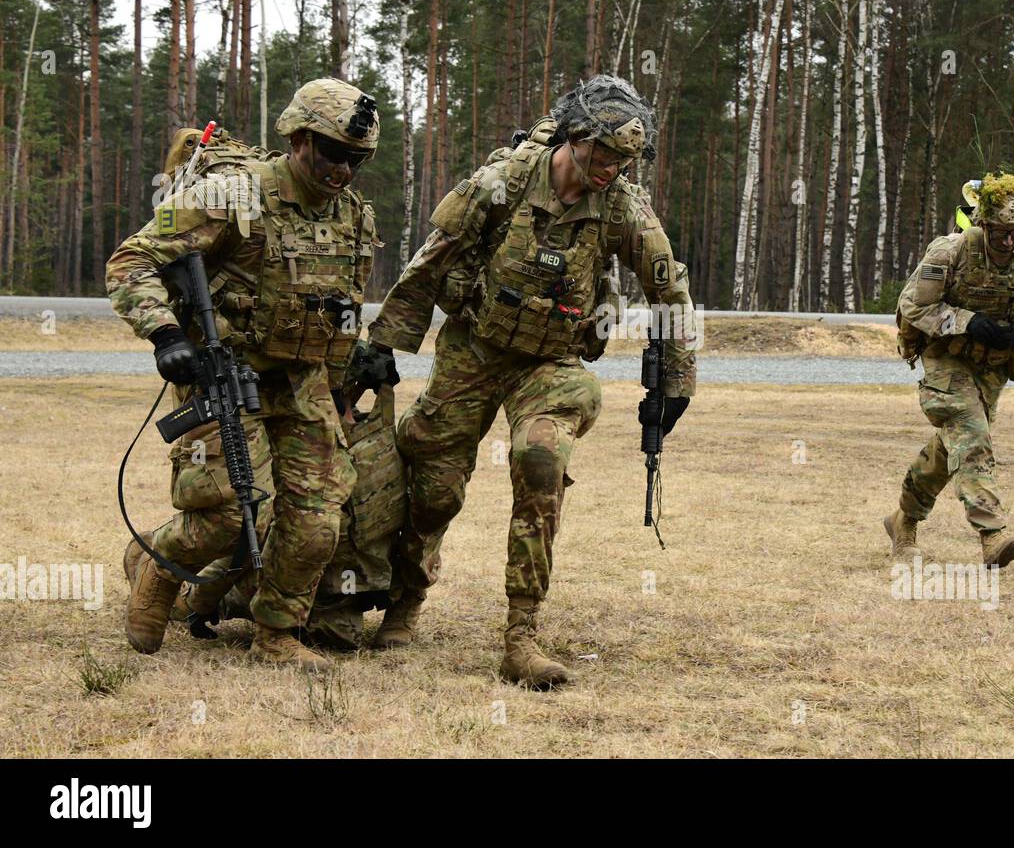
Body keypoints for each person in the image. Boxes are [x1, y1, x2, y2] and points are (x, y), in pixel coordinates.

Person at [359, 74, 696, 688]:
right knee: (436, 488)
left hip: (553, 362)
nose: (613, 168)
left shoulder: (623, 207)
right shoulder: (503, 183)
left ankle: (521, 635)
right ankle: (407, 597)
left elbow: (669, 289)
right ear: (575, 137)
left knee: (541, 459)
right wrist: (382, 346)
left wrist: (677, 380)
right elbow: (429, 262)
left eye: (626, 160)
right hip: (474, 350)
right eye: (605, 153)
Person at [107, 78, 382, 670]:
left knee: (316, 519)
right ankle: (158, 566)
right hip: (224, 372)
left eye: (356, 159)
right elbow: (133, 260)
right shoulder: (236, 196)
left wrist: (338, 393)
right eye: (333, 153)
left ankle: (276, 634)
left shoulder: (354, 217)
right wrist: (166, 335)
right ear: (300, 139)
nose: (343, 169)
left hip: (302, 380)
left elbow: (343, 310)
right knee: (227, 511)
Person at [887, 173, 1014, 568]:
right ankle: (992, 533)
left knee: (951, 448)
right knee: (971, 436)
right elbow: (914, 307)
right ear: (984, 224)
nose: (1008, 241)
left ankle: (903, 520)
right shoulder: (949, 252)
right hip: (945, 357)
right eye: (1001, 232)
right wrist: (967, 321)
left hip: (993, 368)